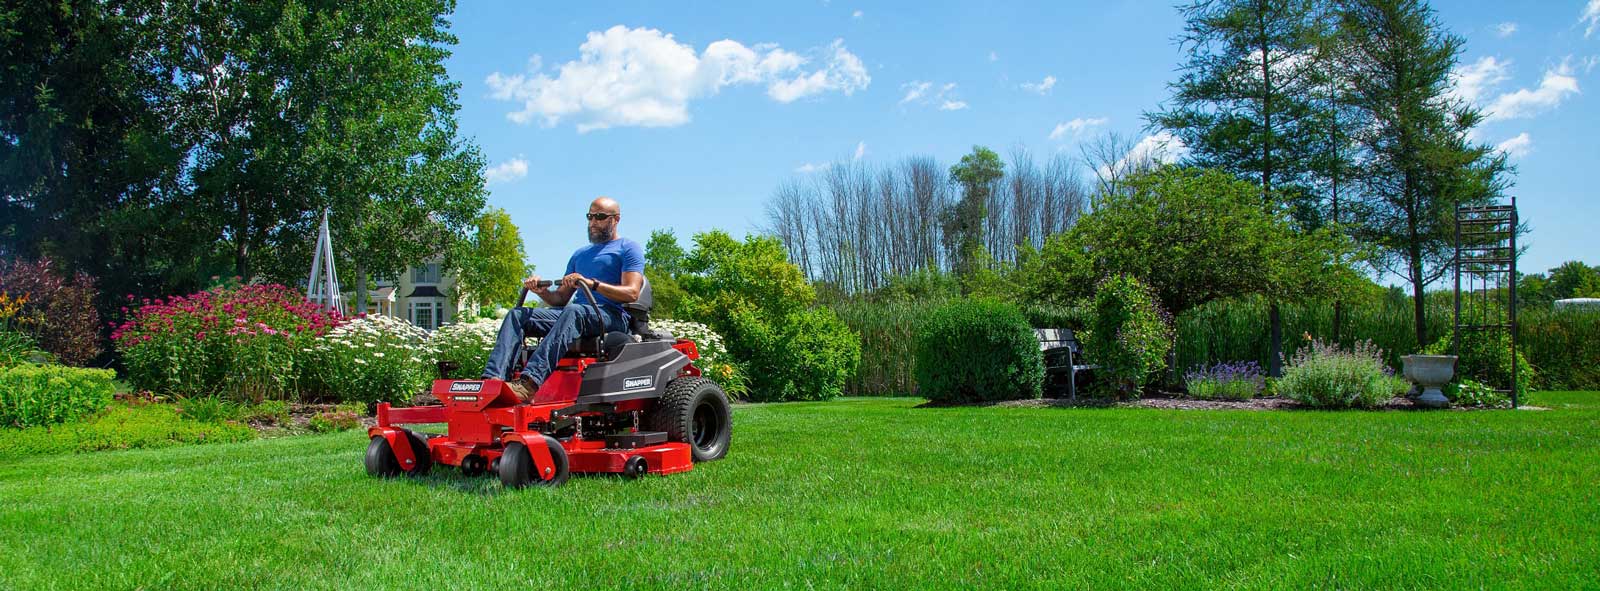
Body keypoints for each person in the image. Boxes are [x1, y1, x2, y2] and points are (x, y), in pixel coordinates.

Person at [480, 196, 644, 399]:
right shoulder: (579, 255)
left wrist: (593, 284)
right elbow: (560, 300)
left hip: (611, 316)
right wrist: (542, 292)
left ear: (615, 219)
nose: (593, 222)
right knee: (517, 314)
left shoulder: (628, 248)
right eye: (590, 216)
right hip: (578, 315)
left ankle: (529, 383)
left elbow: (632, 292)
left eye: (600, 217)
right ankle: (494, 381)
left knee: (574, 311)